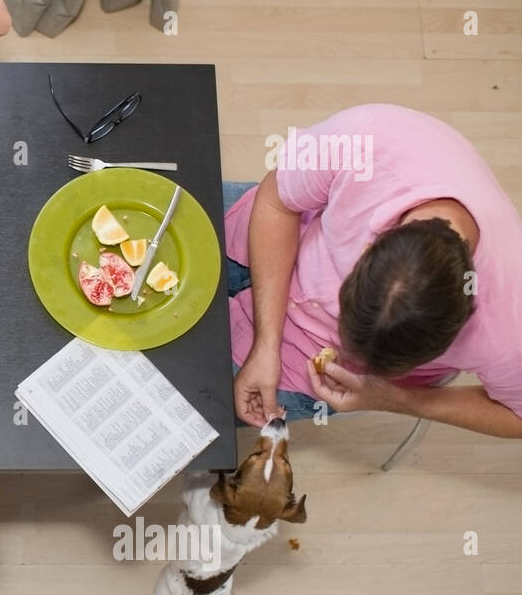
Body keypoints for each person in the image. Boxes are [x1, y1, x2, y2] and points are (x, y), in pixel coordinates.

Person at [224, 103, 522, 438]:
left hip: (307, 362)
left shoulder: (511, 329)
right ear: (368, 247)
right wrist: (266, 344)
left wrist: (395, 399)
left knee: (191, 405)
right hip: (273, 233)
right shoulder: (371, 138)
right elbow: (278, 200)